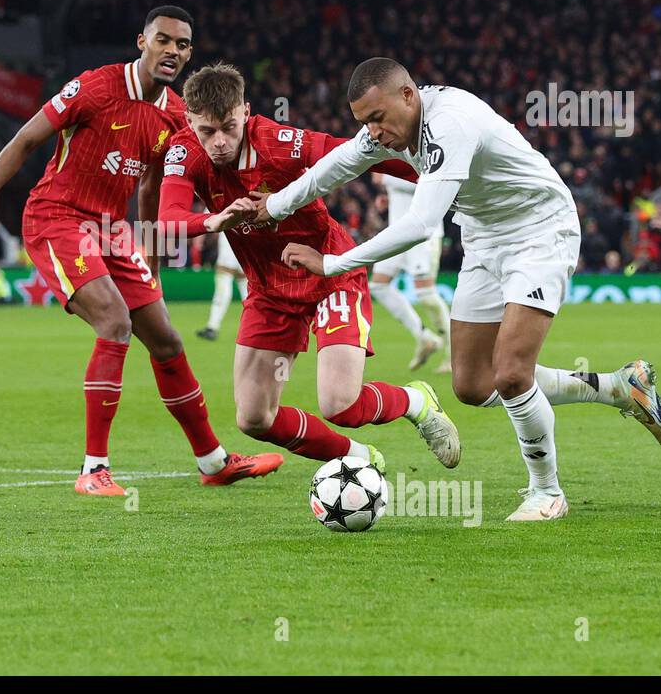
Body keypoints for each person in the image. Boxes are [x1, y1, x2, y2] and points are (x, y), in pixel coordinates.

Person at [254, 58, 661, 521]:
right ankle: (618, 388)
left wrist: (331, 263)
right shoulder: (391, 128)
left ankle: (547, 491)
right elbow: (333, 168)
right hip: (484, 238)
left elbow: (421, 224)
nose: (372, 132)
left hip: (540, 231)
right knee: (472, 385)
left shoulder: (450, 122)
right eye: (363, 122)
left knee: (513, 373)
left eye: (376, 118)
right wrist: (272, 207)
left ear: (407, 95)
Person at [0, 6, 282, 495]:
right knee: (115, 322)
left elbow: (151, 188)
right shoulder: (95, 86)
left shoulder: (171, 115)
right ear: (141, 41)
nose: (173, 51)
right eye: (163, 40)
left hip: (113, 231)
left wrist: (155, 252)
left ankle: (213, 461)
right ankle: (92, 469)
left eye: (183, 45)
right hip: (56, 218)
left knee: (166, 340)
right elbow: (25, 139)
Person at [158, 63, 460, 471]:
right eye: (206, 131)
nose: (219, 142)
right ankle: (358, 458)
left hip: (328, 273)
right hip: (269, 290)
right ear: (190, 120)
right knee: (254, 418)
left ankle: (416, 401)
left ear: (246, 112)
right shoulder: (184, 152)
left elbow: (359, 155)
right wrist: (211, 221)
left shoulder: (279, 142)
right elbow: (168, 219)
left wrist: (448, 176)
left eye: (228, 127)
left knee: (340, 404)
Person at [368, 174, 451, 372]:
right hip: (398, 232)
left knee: (427, 296)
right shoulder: (396, 150)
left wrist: (387, 179)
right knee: (378, 285)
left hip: (423, 234)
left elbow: (427, 182)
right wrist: (390, 197)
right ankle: (424, 337)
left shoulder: (420, 147)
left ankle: (454, 353)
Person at [196, 229, 246, 341]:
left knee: (222, 294)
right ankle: (257, 327)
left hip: (229, 252)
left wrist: (200, 240)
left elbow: (206, 221)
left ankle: (212, 327)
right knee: (249, 294)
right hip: (246, 251)